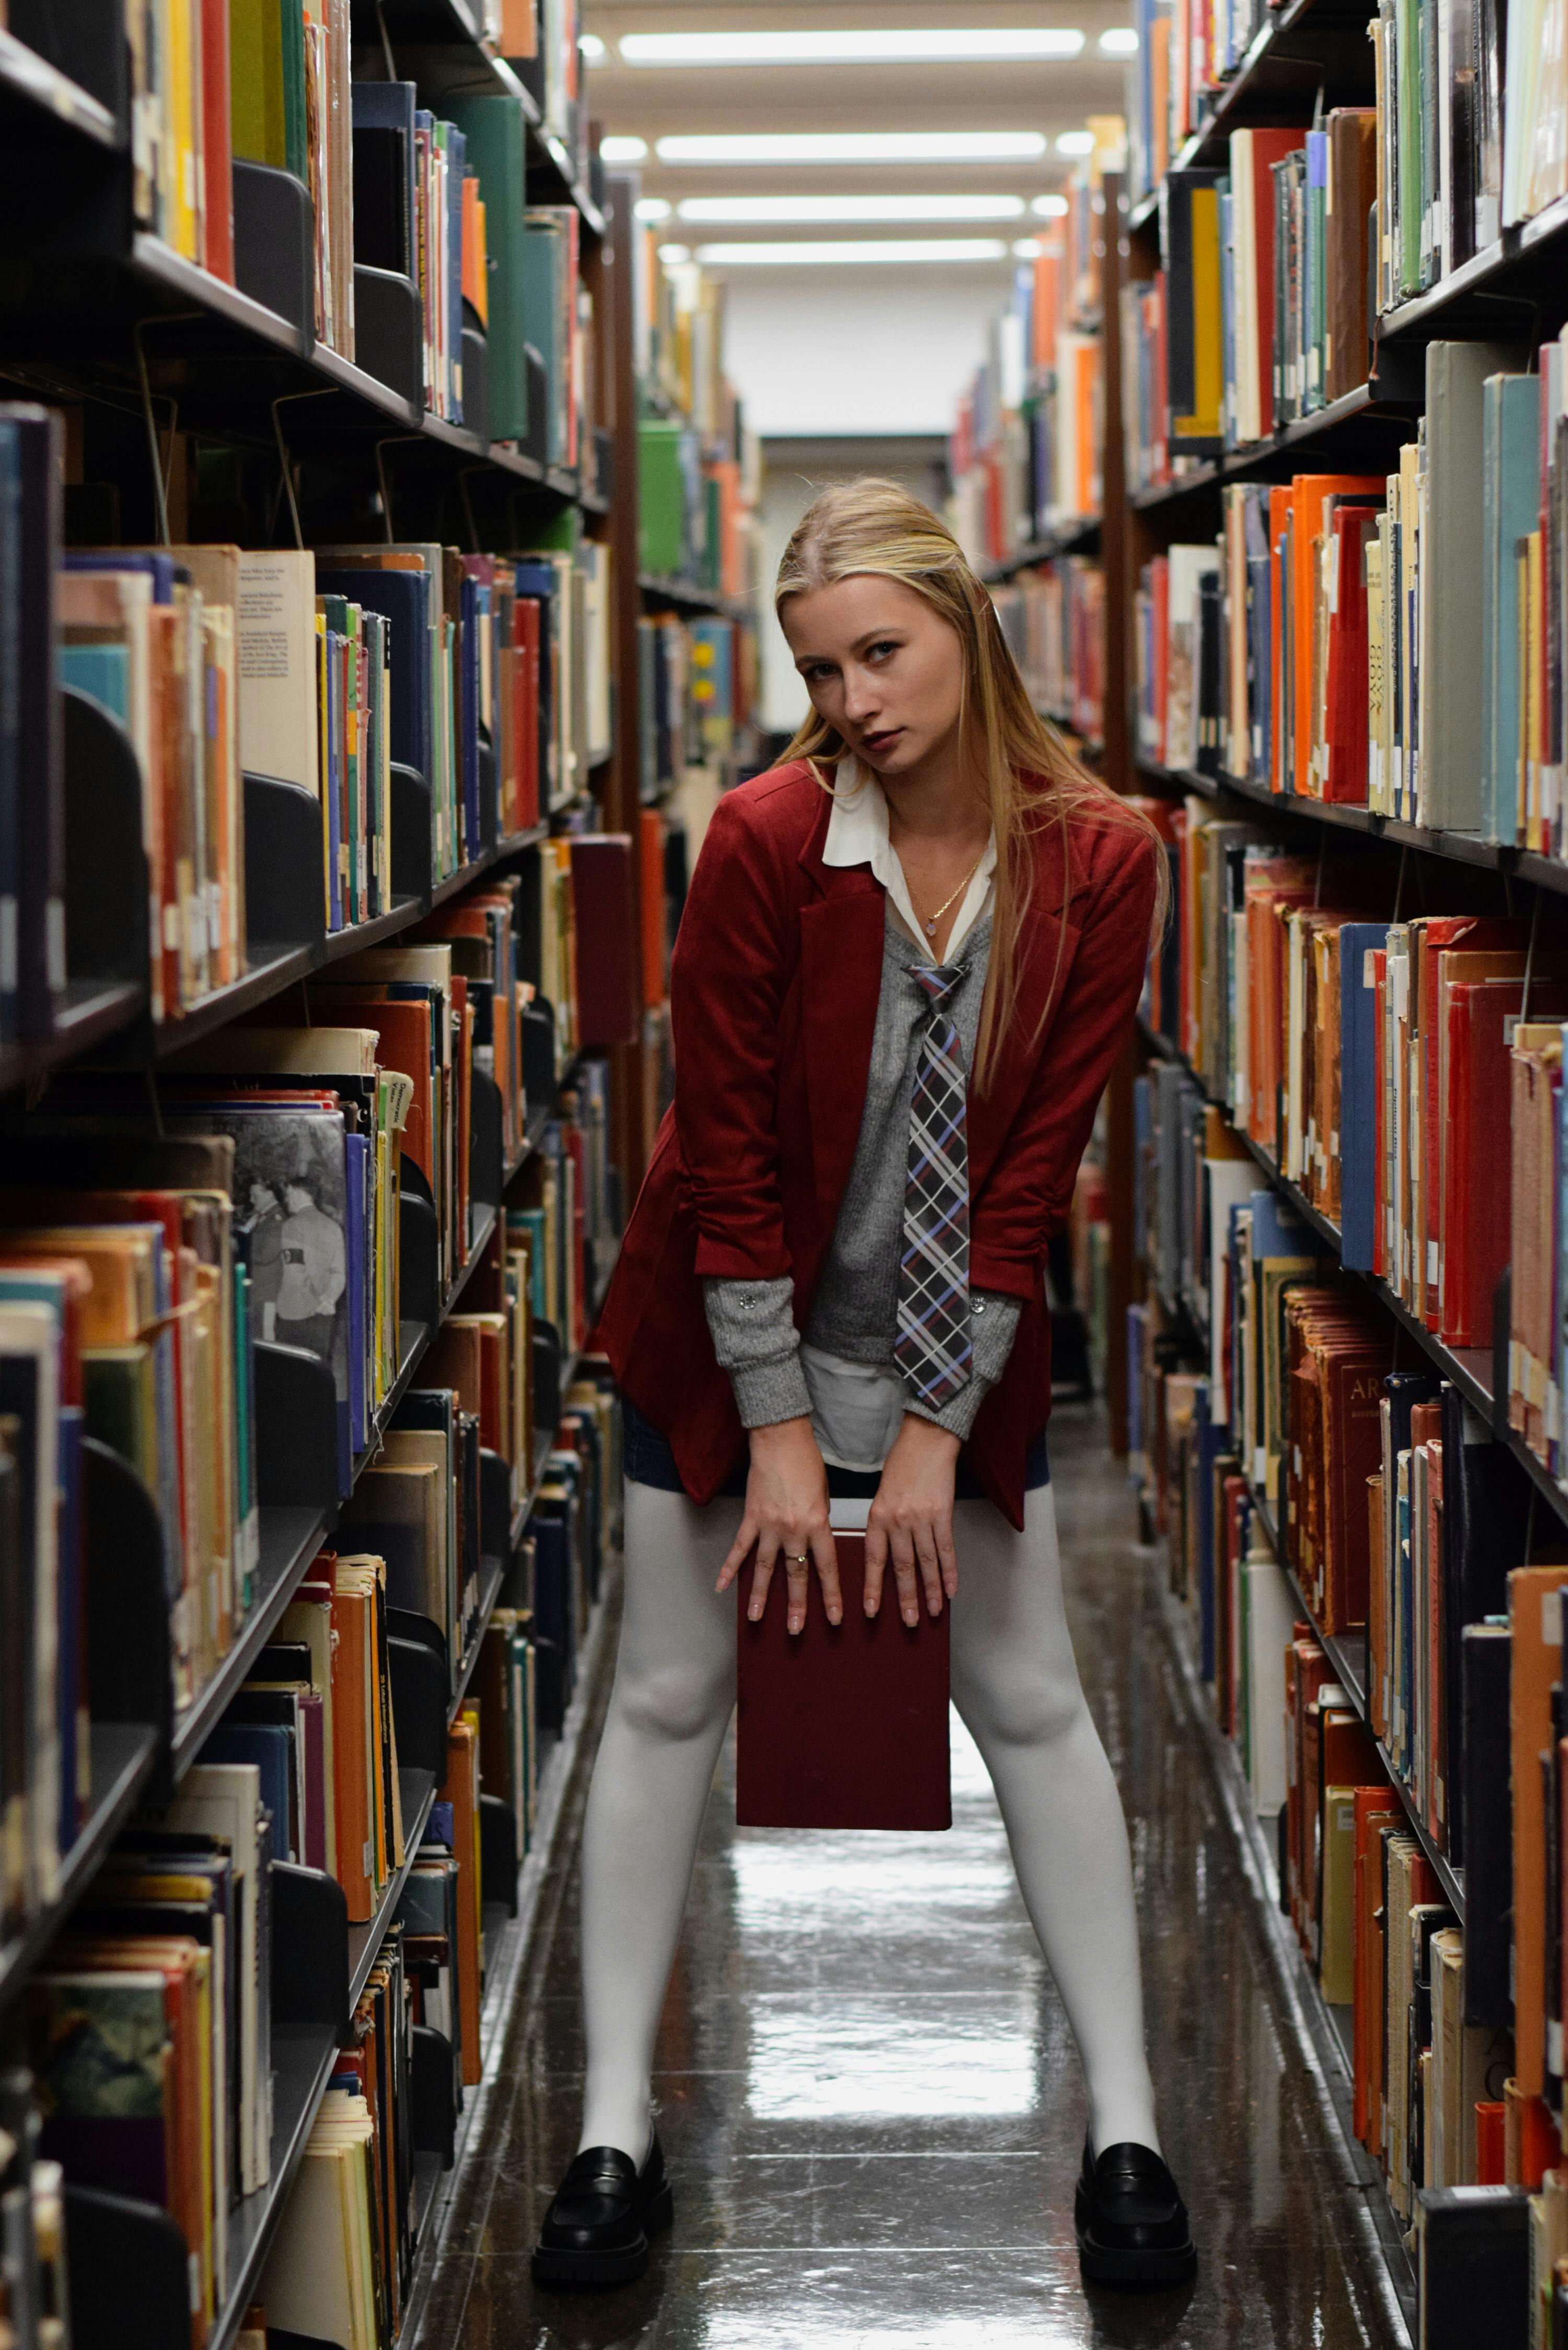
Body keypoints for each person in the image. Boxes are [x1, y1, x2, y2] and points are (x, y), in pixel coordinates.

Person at [533, 481, 1195, 2295]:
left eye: (882, 653)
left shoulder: (1106, 862)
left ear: (968, 625)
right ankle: (612, 2129)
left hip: (951, 1348)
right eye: (823, 669)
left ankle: (1126, 2124)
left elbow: (1029, 1179)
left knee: (1032, 1696)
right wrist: (770, 1435)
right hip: (727, 1334)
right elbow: (725, 1157)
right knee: (670, 1692)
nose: (857, 700)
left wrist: (922, 1435)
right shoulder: (758, 838)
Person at [274, 1178, 345, 1361]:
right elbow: (339, 1273)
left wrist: (311, 1303)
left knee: (294, 1373)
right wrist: (328, 1300)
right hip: (324, 1314)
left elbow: (294, 1273)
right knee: (318, 1372)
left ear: (298, 1194)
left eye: (289, 1195)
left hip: (295, 1313)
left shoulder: (292, 1225)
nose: (287, 1200)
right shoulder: (333, 1227)